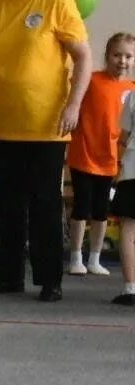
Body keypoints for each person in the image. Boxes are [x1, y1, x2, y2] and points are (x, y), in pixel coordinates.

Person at [0, 0, 91, 302]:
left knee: (45, 205)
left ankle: (50, 280)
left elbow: (83, 57)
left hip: (47, 128)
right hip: (0, 126)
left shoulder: (57, 5)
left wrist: (73, 105)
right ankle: (9, 276)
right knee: (8, 205)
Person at [66, 33, 135, 277]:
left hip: (110, 160)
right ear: (107, 56)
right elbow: (72, 99)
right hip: (84, 155)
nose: (122, 61)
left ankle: (95, 258)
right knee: (81, 207)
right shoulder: (92, 81)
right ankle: (76, 257)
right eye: (117, 55)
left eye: (128, 56)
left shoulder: (131, 89)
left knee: (101, 211)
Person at [112, 81, 135, 306]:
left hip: (133, 171)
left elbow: (124, 136)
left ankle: (131, 288)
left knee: (129, 227)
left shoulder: (132, 96)